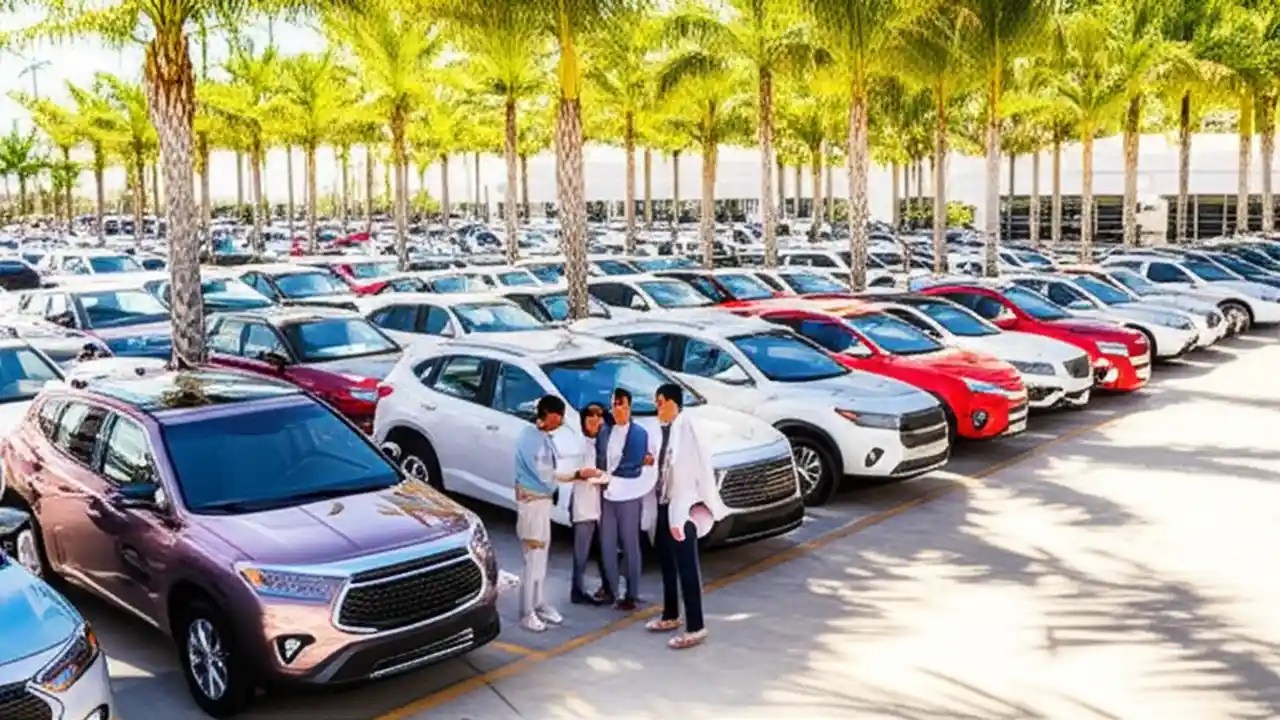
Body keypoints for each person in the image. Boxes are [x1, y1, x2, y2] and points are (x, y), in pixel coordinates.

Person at [644, 383, 727, 650]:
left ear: (671, 403)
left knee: (687, 567)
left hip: (684, 506)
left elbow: (698, 469)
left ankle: (696, 626)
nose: (657, 409)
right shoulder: (665, 431)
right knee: (667, 563)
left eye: (659, 403)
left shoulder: (687, 429)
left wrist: (694, 507)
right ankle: (670, 615)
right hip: (666, 504)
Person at [515, 395, 602, 632]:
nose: (561, 422)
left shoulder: (542, 437)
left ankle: (539, 602)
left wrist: (574, 474)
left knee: (541, 557)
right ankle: (527, 612)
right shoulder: (532, 441)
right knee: (532, 559)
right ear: (547, 416)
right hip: (532, 505)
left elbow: (553, 472)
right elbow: (546, 476)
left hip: (541, 505)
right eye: (558, 417)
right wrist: (575, 475)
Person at [596, 388, 652, 610]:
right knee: (607, 543)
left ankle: (632, 592)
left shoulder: (639, 433)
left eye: (621, 404)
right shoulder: (605, 432)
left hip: (628, 494)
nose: (617, 409)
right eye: (614, 404)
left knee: (630, 544)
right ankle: (611, 589)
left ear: (629, 407)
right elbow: (601, 459)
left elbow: (633, 466)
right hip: (608, 493)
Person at [570, 401, 611, 605]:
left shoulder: (600, 444)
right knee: (581, 553)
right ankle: (577, 591)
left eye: (598, 418)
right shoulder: (578, 445)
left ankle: (607, 587)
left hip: (599, 508)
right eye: (591, 419)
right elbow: (581, 474)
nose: (595, 422)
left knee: (603, 550)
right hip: (584, 507)